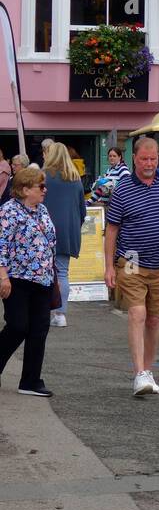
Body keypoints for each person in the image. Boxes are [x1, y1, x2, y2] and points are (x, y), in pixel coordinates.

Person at [104, 136, 159, 398]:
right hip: (132, 259)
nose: (149, 163)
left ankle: (148, 371)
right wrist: (109, 267)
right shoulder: (123, 189)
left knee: (155, 318)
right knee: (137, 312)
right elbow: (111, 230)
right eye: (144, 158)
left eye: (153, 158)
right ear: (134, 159)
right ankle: (139, 374)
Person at [0, 165, 57, 397]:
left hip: (43, 280)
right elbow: (1, 245)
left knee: (39, 330)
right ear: (24, 190)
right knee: (17, 326)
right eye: (40, 186)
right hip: (17, 279)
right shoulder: (8, 212)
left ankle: (31, 381)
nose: (44, 190)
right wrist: (2, 276)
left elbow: (51, 242)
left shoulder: (42, 210)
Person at [42, 142, 87, 328]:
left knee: (43, 273)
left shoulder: (44, 177)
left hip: (44, 232)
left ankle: (42, 312)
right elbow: (82, 210)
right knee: (62, 273)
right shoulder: (75, 178)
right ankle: (61, 314)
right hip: (68, 232)